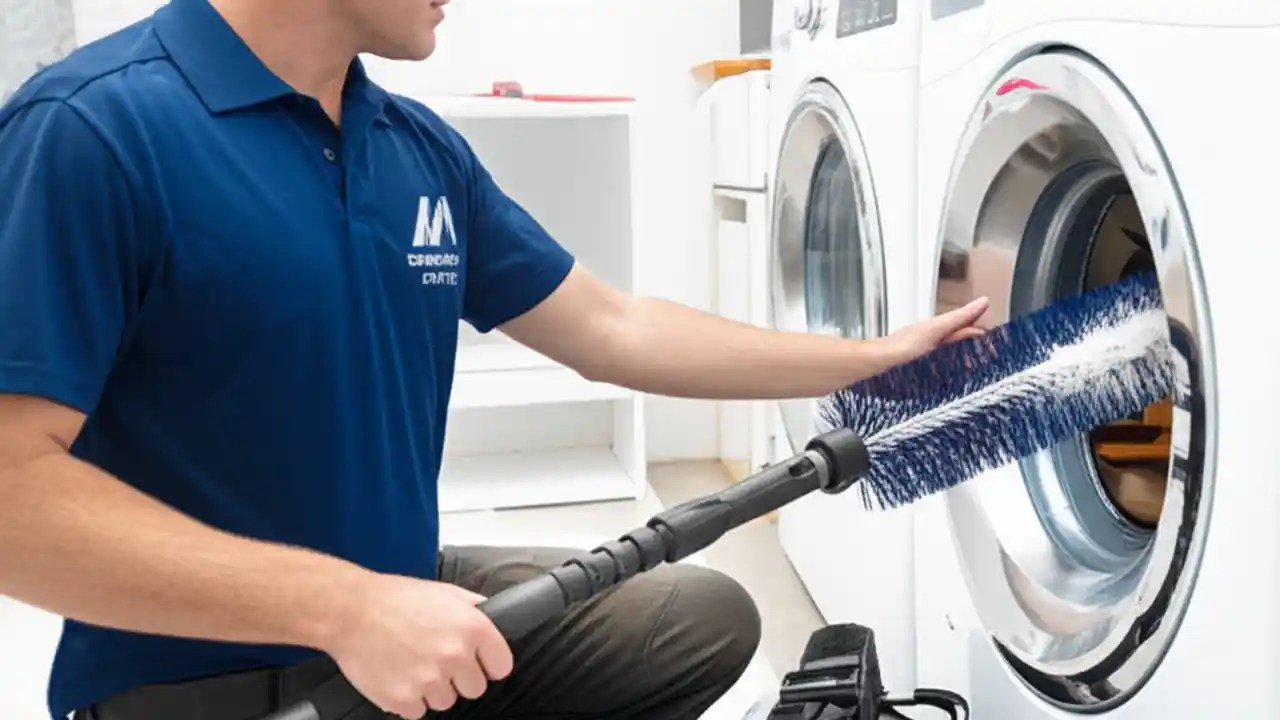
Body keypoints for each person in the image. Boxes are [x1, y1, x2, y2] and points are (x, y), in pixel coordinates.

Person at [0, 0, 989, 718]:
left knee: (698, 618)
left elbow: (614, 327)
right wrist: (343, 608)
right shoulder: (92, 129)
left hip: (397, 599)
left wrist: (869, 358)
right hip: (208, 679)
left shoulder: (414, 150)